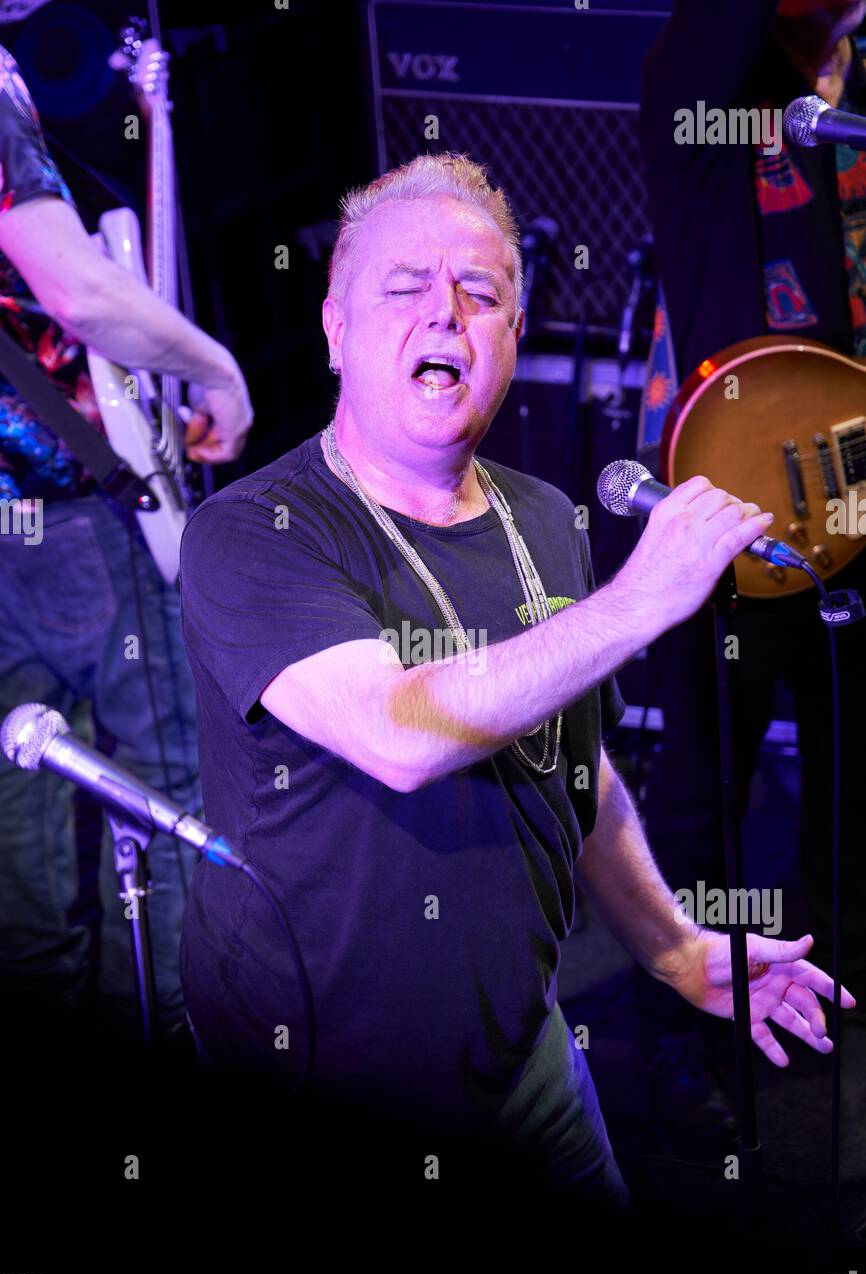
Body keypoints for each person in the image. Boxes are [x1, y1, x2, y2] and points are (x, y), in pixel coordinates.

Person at [177, 152, 854, 1204]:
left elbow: (567, 765)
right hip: (322, 1067)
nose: (443, 312)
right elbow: (397, 732)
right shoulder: (253, 532)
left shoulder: (542, 516)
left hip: (523, 1056)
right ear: (334, 327)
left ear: (511, 337)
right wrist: (638, 601)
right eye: (402, 288)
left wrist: (672, 945)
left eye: (479, 293)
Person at [637, 0, 866, 1149]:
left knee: (850, 778)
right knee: (701, 791)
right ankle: (678, 1028)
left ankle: (823, 995)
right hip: (727, 493)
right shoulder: (707, 75)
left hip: (860, 497)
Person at [0, 21, 253, 1041]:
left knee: (18, 835)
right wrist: (213, 367)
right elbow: (81, 292)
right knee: (164, 798)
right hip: (67, 520)